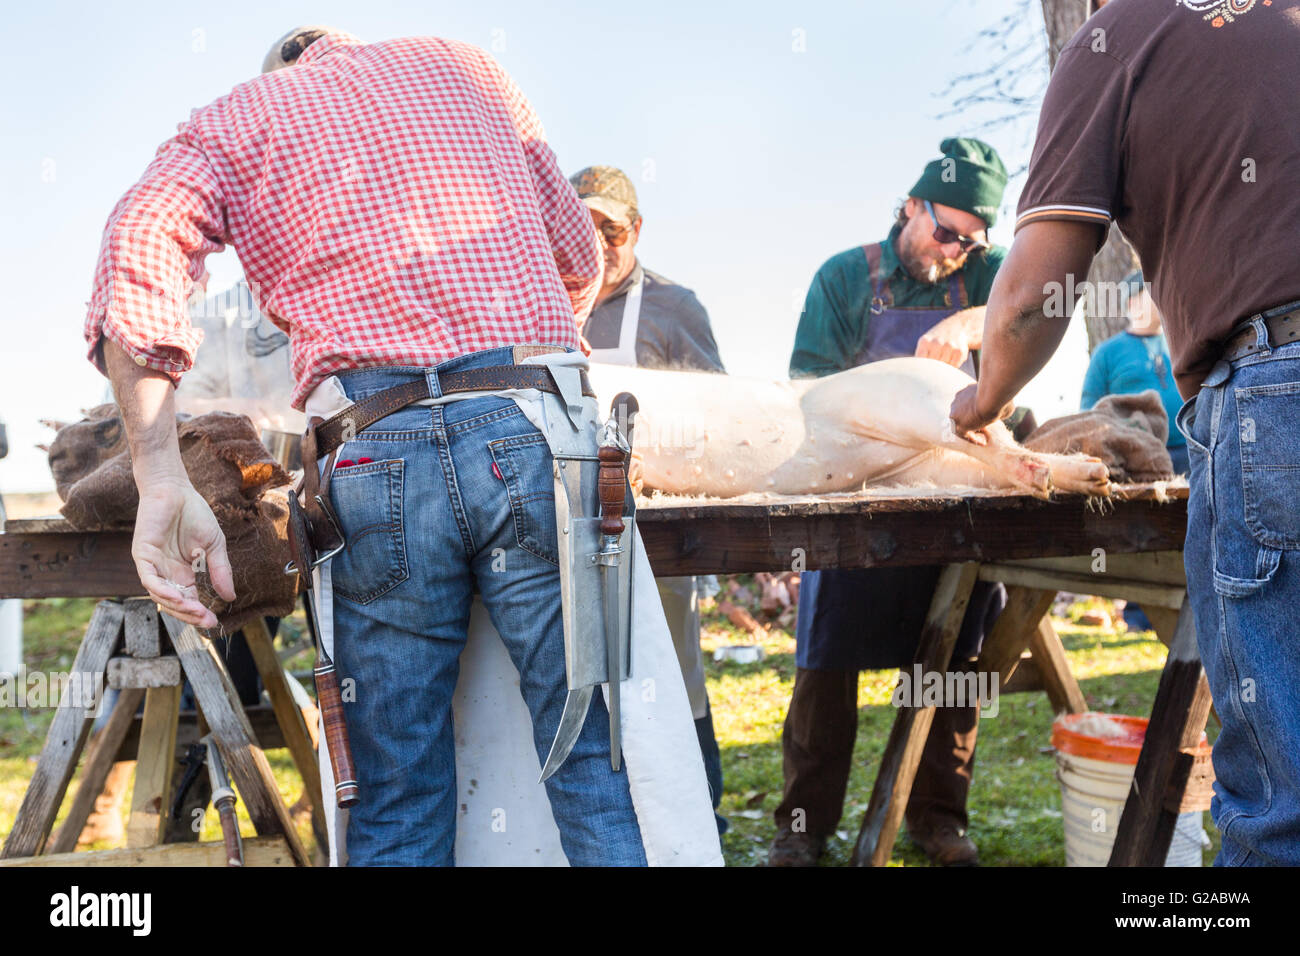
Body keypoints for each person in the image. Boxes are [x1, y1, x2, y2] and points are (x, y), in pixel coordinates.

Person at [83, 26, 650, 866]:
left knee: (395, 793)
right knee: (588, 764)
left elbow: (138, 239)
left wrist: (159, 469)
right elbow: (574, 257)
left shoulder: (239, 117)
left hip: (375, 449)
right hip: (532, 437)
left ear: (282, 69)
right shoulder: (470, 67)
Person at [949, 0, 1300, 867]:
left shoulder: (1119, 37)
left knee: (1286, 802)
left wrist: (978, 405)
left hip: (1278, 388)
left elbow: (1034, 296)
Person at [771, 138, 1010, 867]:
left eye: (971, 242)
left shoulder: (991, 276)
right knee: (826, 665)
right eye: (944, 231)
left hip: (956, 497)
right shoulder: (846, 278)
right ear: (911, 205)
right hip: (859, 493)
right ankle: (803, 827)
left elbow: (1032, 309)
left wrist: (971, 325)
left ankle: (939, 817)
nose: (955, 251)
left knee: (955, 662)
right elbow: (805, 393)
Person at [569, 164, 728, 832]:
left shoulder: (673, 306)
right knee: (583, 676)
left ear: (636, 229)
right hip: (567, 519)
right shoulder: (539, 301)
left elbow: (719, 412)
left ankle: (698, 814)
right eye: (583, 226)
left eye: (610, 227)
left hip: (657, 522)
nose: (598, 241)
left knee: (671, 667)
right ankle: (610, 822)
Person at [1081, 272, 1189, 475]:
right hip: (1137, 459)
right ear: (1133, 304)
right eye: (1154, 294)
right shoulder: (1107, 353)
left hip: (1190, 454)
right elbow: (1088, 410)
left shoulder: (1180, 343)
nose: (1163, 299)